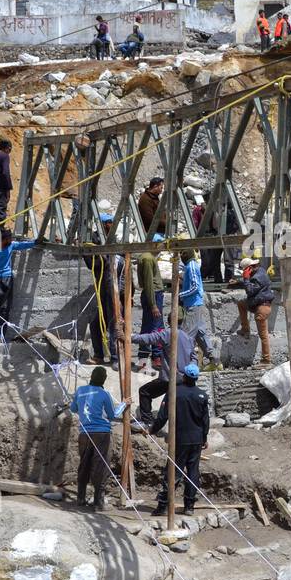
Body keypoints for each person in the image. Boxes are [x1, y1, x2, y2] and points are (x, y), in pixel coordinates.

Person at [150, 362, 210, 517]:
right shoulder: (202, 395)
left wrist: (152, 430)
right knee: (193, 472)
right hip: (196, 439)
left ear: (184, 376)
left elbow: (163, 416)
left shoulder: (174, 392)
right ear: (196, 378)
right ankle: (189, 506)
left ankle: (163, 506)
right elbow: (205, 420)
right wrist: (204, 438)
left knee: (173, 471)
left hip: (179, 439)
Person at [66, 366, 128, 511]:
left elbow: (73, 409)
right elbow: (112, 415)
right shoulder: (104, 394)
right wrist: (124, 404)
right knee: (100, 466)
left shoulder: (80, 391)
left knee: (84, 465)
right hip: (102, 434)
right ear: (104, 379)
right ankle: (98, 502)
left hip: (84, 434)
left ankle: (80, 498)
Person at [128, 322, 200, 426]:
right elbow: (194, 357)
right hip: (184, 379)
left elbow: (149, 338)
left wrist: (130, 337)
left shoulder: (168, 333)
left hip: (169, 379)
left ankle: (147, 422)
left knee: (144, 392)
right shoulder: (188, 337)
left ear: (169, 321)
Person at [84, 216, 121, 367]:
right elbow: (94, 263)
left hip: (111, 286)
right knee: (96, 324)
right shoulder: (95, 238)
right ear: (105, 224)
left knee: (113, 322)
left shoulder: (111, 239)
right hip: (104, 285)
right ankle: (99, 355)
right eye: (111, 223)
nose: (112, 225)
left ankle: (115, 358)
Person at [231, 257, 274, 365]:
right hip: (257, 304)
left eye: (245, 270)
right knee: (241, 304)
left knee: (263, 335)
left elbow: (250, 290)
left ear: (249, 269)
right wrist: (238, 282)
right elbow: (252, 283)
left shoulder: (259, 277)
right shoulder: (259, 272)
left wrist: (245, 279)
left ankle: (266, 360)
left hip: (262, 307)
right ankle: (245, 329)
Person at [178, 250, 218, 364]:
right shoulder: (191, 266)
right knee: (200, 332)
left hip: (193, 303)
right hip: (193, 303)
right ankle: (213, 358)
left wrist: (181, 295)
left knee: (187, 333)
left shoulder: (191, 266)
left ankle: (185, 361)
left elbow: (195, 286)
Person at [137, 236, 165, 358]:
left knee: (150, 326)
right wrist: (153, 305)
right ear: (154, 244)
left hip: (153, 295)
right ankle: (155, 355)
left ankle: (145, 355)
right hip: (153, 295)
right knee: (154, 326)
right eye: (160, 245)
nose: (162, 248)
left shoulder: (148, 257)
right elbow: (149, 283)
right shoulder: (148, 258)